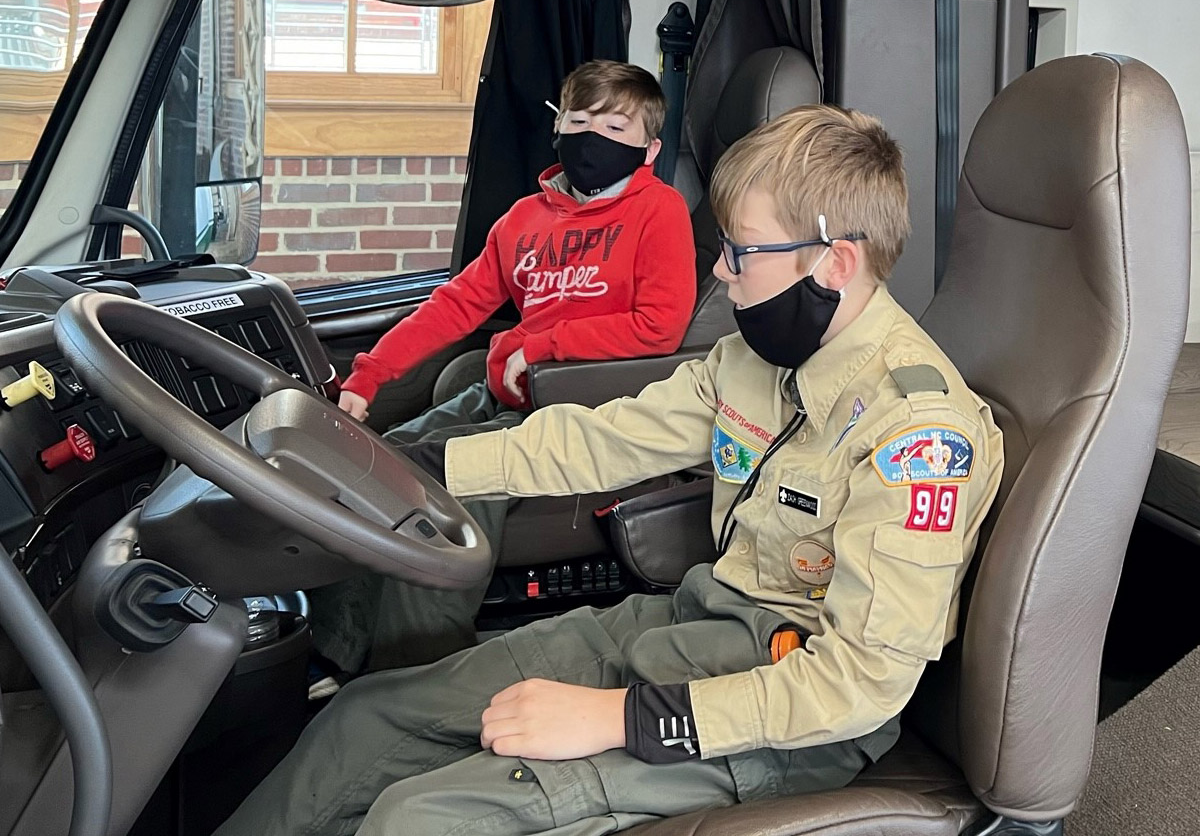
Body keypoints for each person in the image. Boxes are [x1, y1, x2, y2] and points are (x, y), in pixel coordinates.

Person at [221, 103, 1004, 836]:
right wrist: (409, 464)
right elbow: (604, 439)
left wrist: (620, 719)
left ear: (834, 264)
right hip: (690, 624)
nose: (723, 274)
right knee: (366, 718)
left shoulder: (917, 437)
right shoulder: (755, 362)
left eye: (741, 251)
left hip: (784, 714)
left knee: (422, 816)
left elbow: (857, 687)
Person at [309, 60, 697, 675]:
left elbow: (659, 327)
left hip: (580, 403)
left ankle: (415, 667)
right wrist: (370, 375)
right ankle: (336, 654)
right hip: (508, 394)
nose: (594, 136)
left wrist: (546, 346)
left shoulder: (661, 211)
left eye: (616, 127)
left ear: (648, 150)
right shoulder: (524, 219)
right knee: (370, 463)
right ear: (558, 129)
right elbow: (455, 306)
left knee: (430, 489)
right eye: (580, 120)